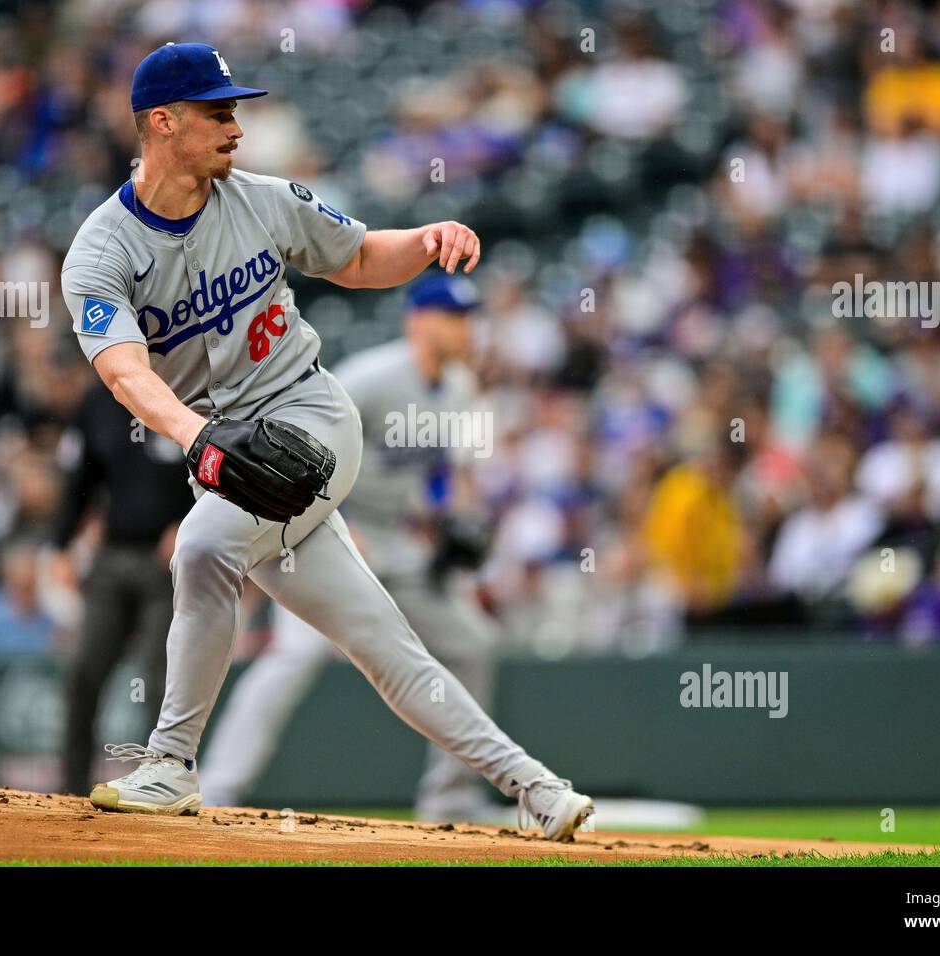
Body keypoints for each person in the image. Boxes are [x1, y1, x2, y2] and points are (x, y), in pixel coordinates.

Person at [59, 42, 593, 841]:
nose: (236, 124)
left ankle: (170, 764)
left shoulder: (261, 199)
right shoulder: (102, 251)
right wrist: (201, 440)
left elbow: (358, 257)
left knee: (202, 548)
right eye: (217, 111)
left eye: (236, 108)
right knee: (386, 648)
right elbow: (125, 373)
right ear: (161, 124)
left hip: (311, 418)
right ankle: (539, 787)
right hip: (236, 463)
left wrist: (426, 240)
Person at [199, 274, 504, 822]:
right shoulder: (369, 376)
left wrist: (452, 520)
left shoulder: (459, 388)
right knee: (294, 656)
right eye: (454, 317)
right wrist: (332, 518)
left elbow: (437, 474)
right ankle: (220, 786)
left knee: (471, 642)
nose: (466, 328)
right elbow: (303, 447)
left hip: (397, 543)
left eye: (468, 317)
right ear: (418, 319)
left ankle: (450, 799)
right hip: (327, 532)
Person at [54, 380, 196, 797]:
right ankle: (70, 790)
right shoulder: (98, 401)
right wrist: (61, 544)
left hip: (167, 563)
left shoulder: (183, 388)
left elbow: (215, 465)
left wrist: (190, 523)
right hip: (112, 557)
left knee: (159, 679)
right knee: (83, 674)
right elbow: (81, 476)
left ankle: (162, 783)